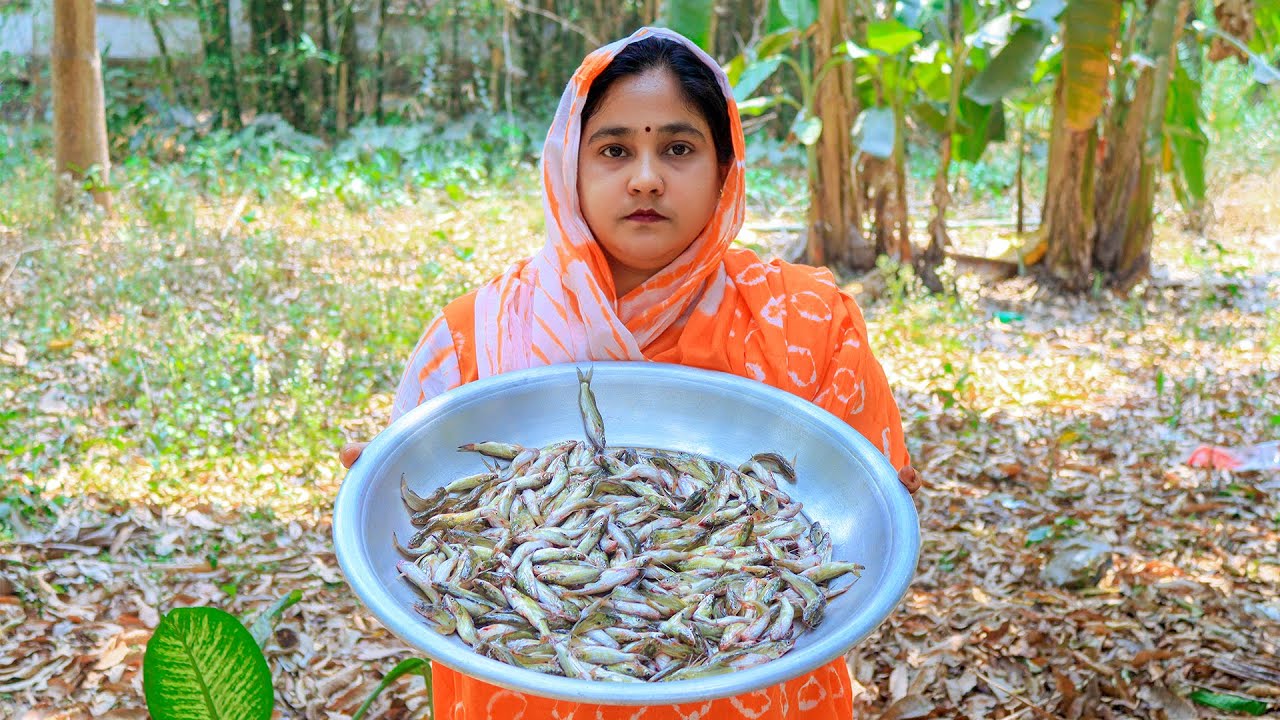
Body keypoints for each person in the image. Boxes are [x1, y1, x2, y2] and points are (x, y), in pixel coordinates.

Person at [340, 26, 922, 720]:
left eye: (678, 148)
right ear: (568, 166)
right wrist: (375, 488)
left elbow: (865, 511)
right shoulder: (475, 334)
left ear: (725, 169)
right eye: (615, 149)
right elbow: (429, 529)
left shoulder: (809, 321)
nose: (646, 176)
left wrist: (872, 510)